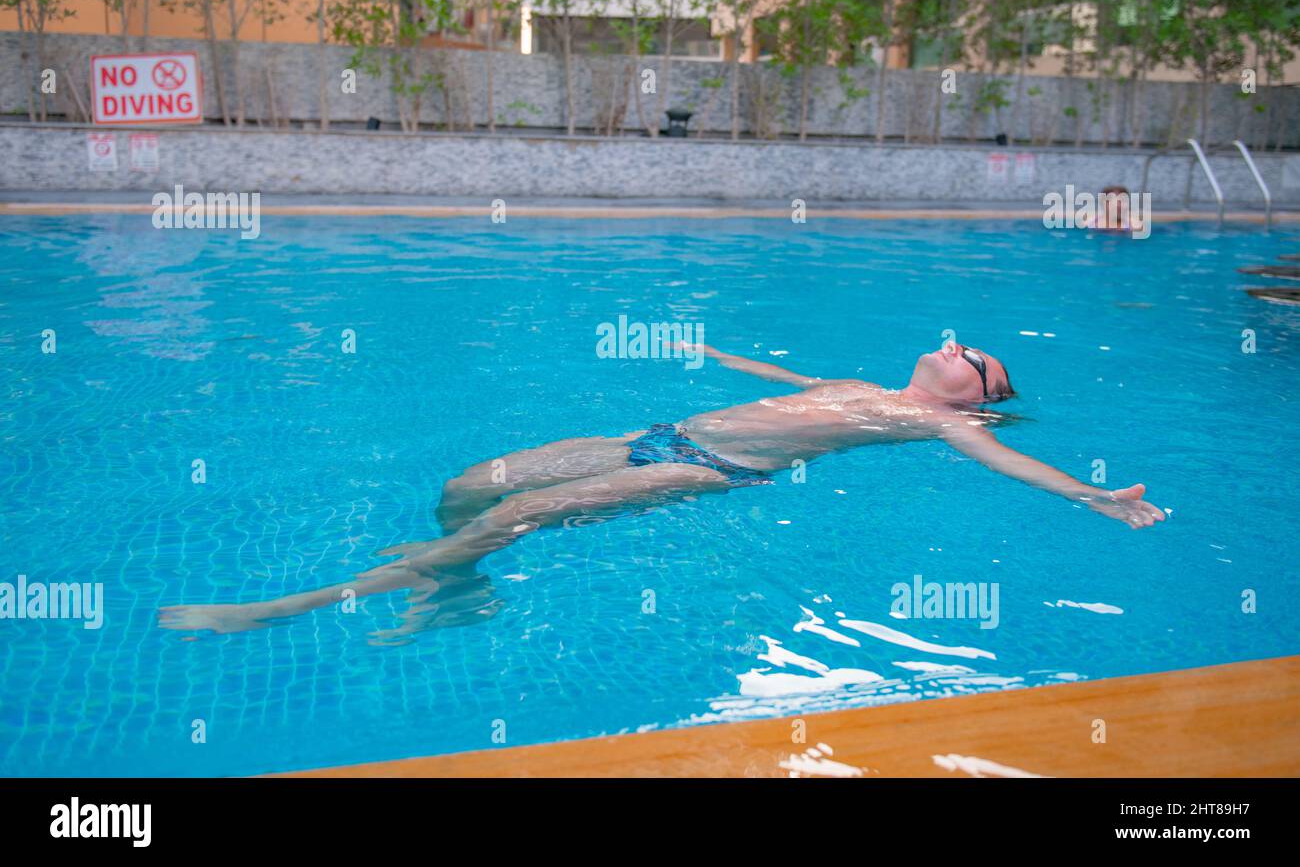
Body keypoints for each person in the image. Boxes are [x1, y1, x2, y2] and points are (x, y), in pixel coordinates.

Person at [159, 341, 1165, 638]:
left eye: (971, 357)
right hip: (655, 433)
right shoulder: (866, 384)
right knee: (470, 482)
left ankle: (277, 610)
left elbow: (1007, 461)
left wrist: (1090, 494)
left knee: (518, 514)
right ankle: (461, 588)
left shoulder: (939, 420)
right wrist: (727, 358)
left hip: (704, 468)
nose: (952, 347)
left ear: (978, 397)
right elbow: (794, 389)